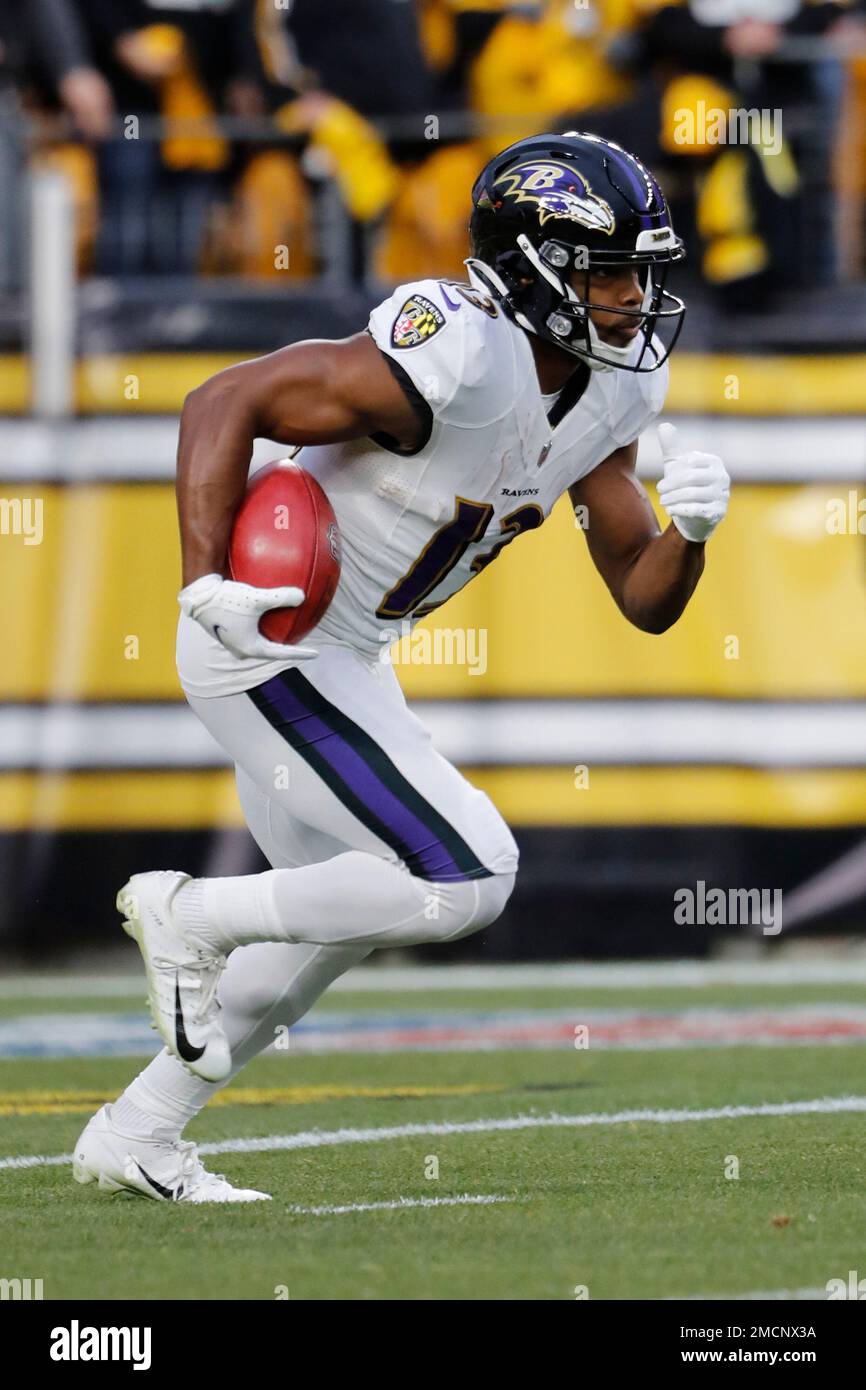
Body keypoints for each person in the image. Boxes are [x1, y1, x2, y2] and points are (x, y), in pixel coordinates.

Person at [73, 131, 730, 1202]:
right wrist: (202, 583)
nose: (630, 297)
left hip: (347, 658)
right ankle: (185, 912)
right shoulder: (457, 352)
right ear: (530, 268)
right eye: (606, 271)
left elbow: (641, 596)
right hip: (267, 638)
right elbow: (221, 402)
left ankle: (139, 1133)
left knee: (309, 951)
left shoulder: (613, 394)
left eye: (640, 273)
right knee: (469, 870)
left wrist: (693, 533)